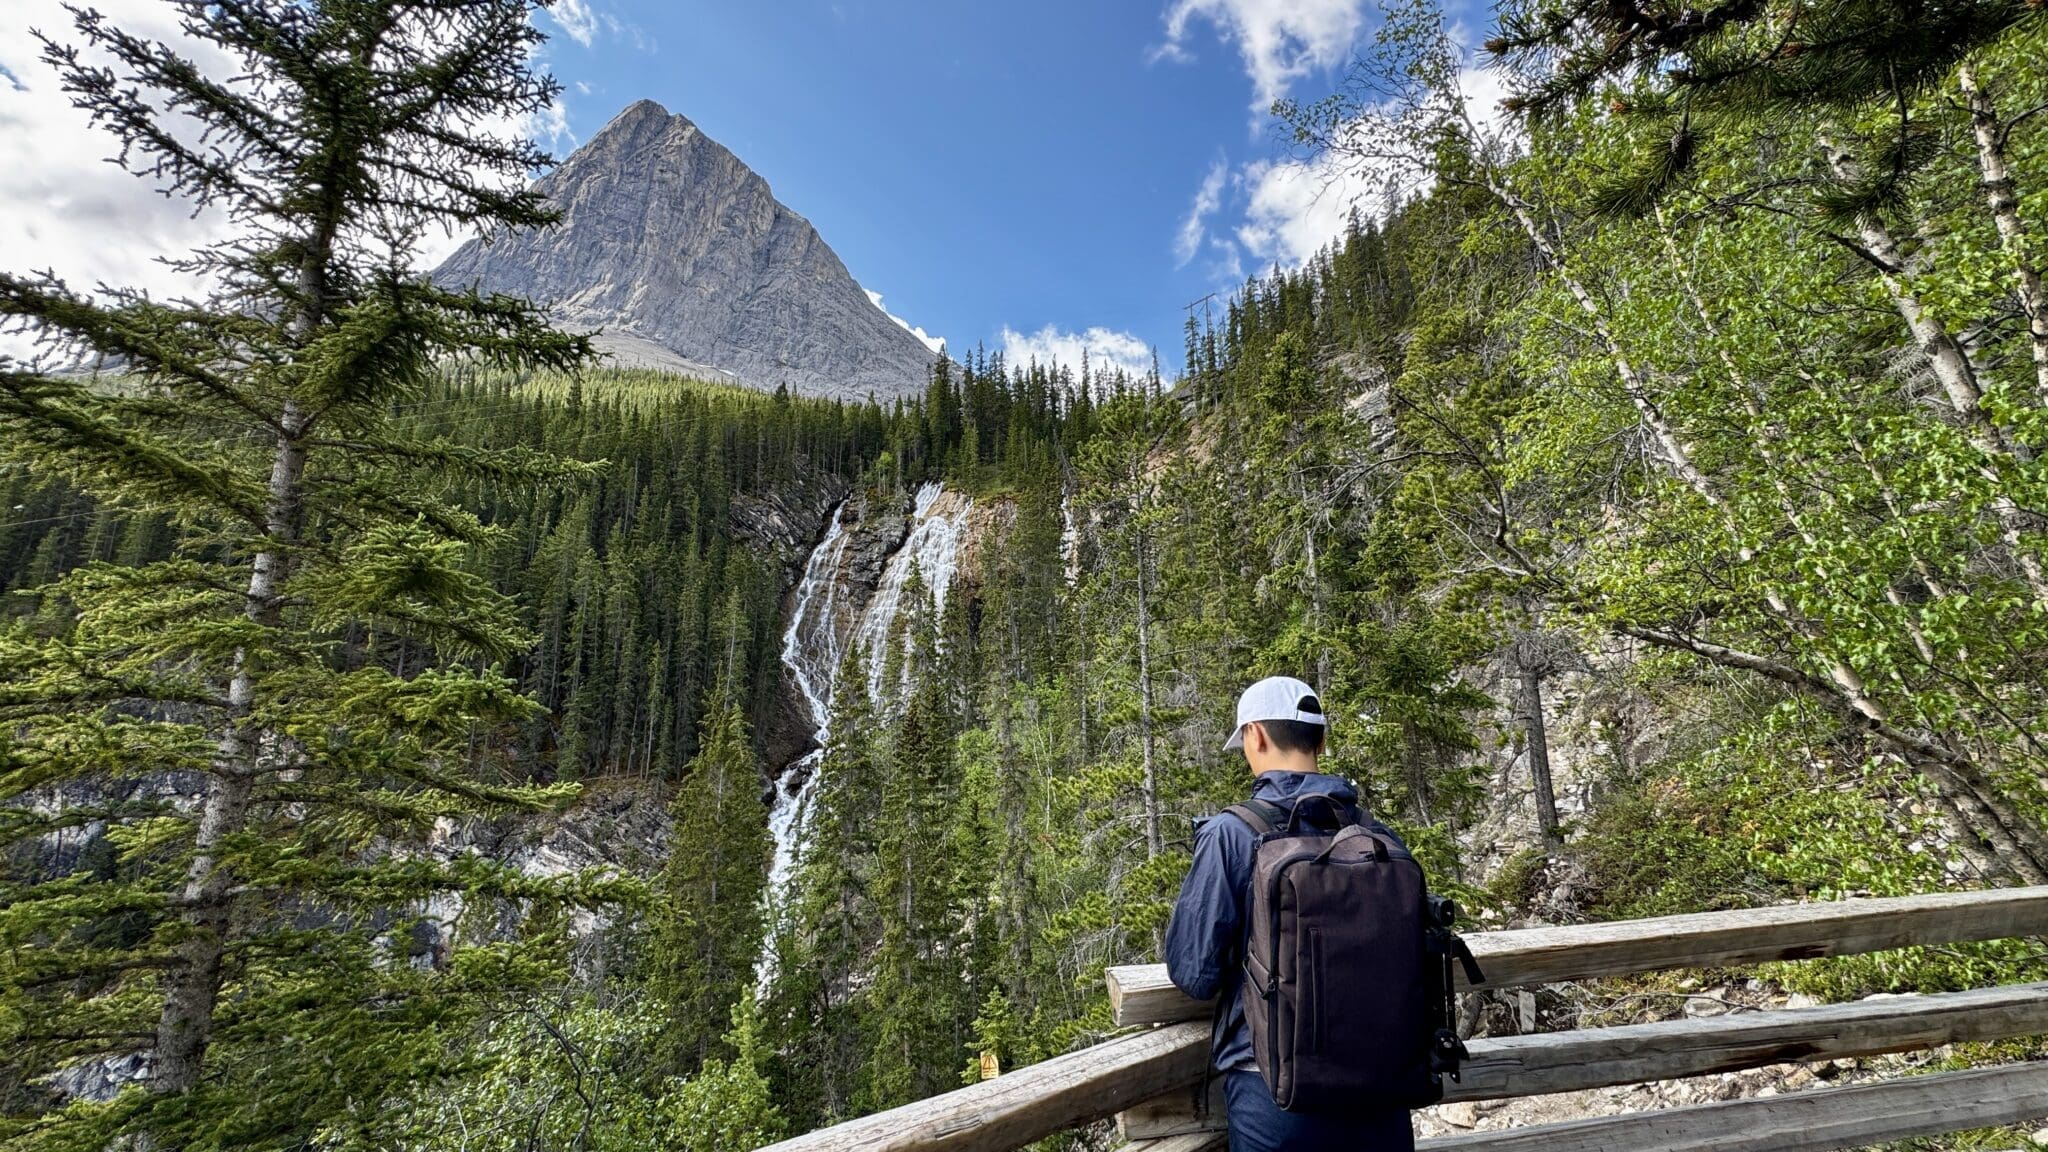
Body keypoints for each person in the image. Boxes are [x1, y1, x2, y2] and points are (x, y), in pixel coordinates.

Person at [1164, 676, 1416, 1152]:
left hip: (1276, 1095)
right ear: (1321, 739)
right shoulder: (1378, 837)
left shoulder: (1233, 834)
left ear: (1254, 736)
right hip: (1382, 1089)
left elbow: (1194, 973)